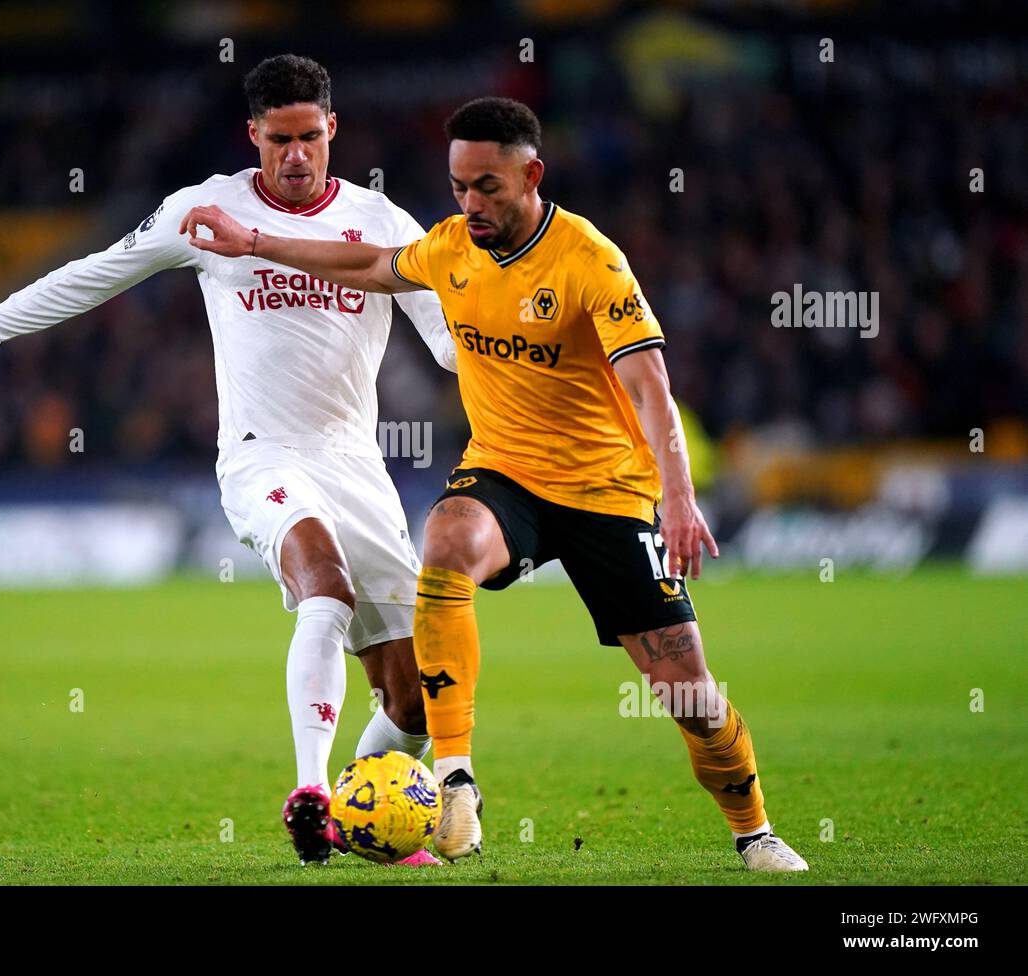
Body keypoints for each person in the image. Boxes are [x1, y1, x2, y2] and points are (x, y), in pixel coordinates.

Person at [178, 96, 809, 872]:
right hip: (505, 473)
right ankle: (455, 777)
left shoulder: (589, 259)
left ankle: (755, 831)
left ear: (530, 175)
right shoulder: (449, 248)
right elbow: (371, 266)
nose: (470, 204)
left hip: (607, 490)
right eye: (458, 187)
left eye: (487, 187)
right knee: (443, 544)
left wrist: (678, 499)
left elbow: (649, 386)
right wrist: (257, 242)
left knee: (690, 697)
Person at [0, 54, 457, 867]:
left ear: (334, 131)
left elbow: (448, 346)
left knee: (413, 701)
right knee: (320, 585)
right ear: (252, 135)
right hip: (264, 456)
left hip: (357, 465)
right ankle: (312, 791)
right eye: (279, 140)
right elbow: (93, 276)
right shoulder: (205, 209)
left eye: (309, 138)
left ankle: (358, 819)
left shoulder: (386, 224)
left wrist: (522, 368)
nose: (295, 156)